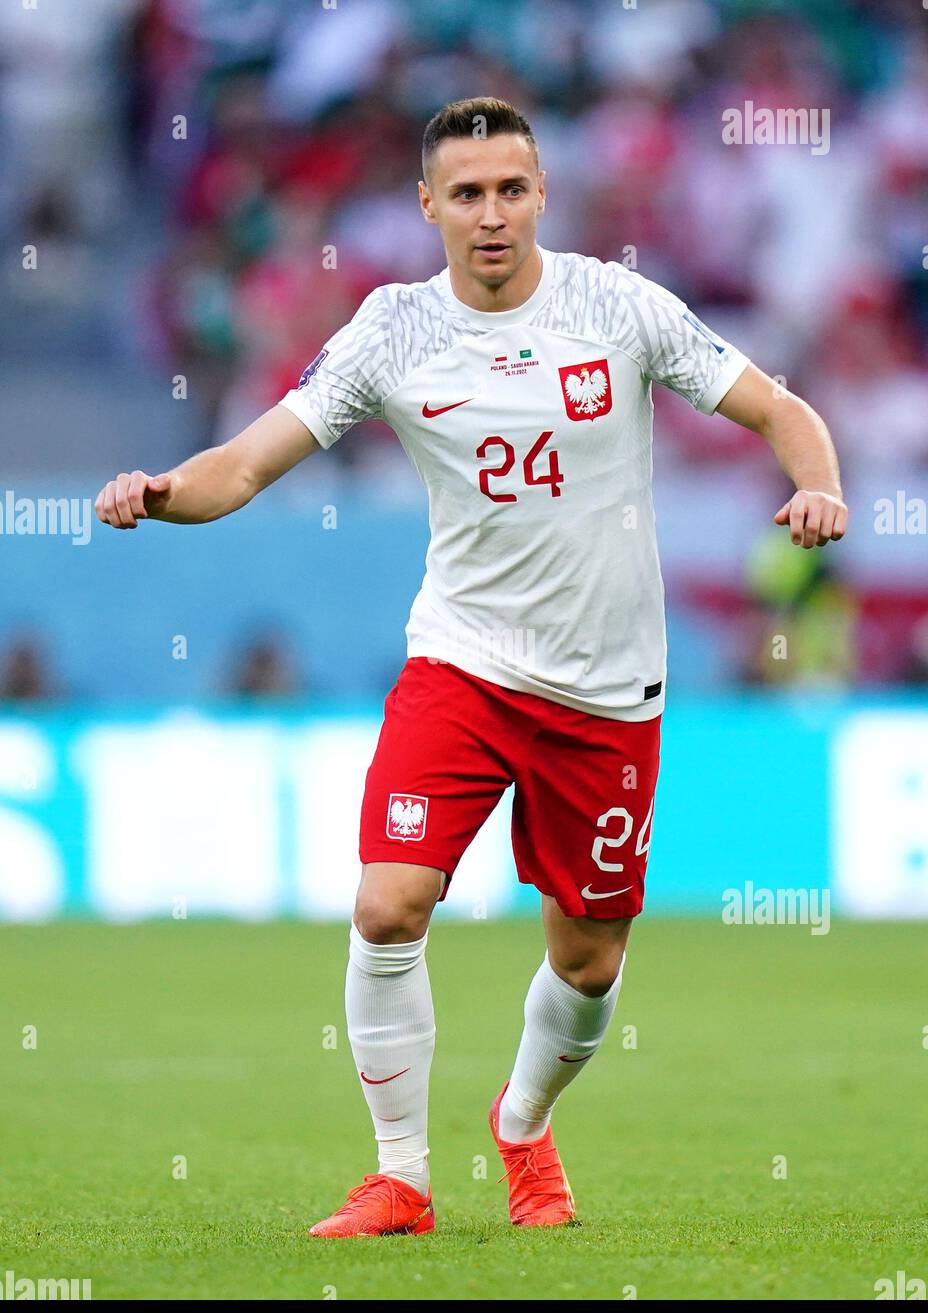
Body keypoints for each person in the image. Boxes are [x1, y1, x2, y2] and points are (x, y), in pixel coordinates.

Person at [95, 96, 848, 1239]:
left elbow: (779, 406)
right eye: (466, 194)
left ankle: (525, 1120)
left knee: (589, 963)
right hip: (463, 662)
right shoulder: (392, 330)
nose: (490, 214)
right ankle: (401, 1176)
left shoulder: (618, 305)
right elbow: (246, 465)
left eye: (510, 190)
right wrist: (162, 493)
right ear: (428, 205)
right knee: (390, 904)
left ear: (541, 194)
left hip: (606, 690)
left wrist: (817, 481)